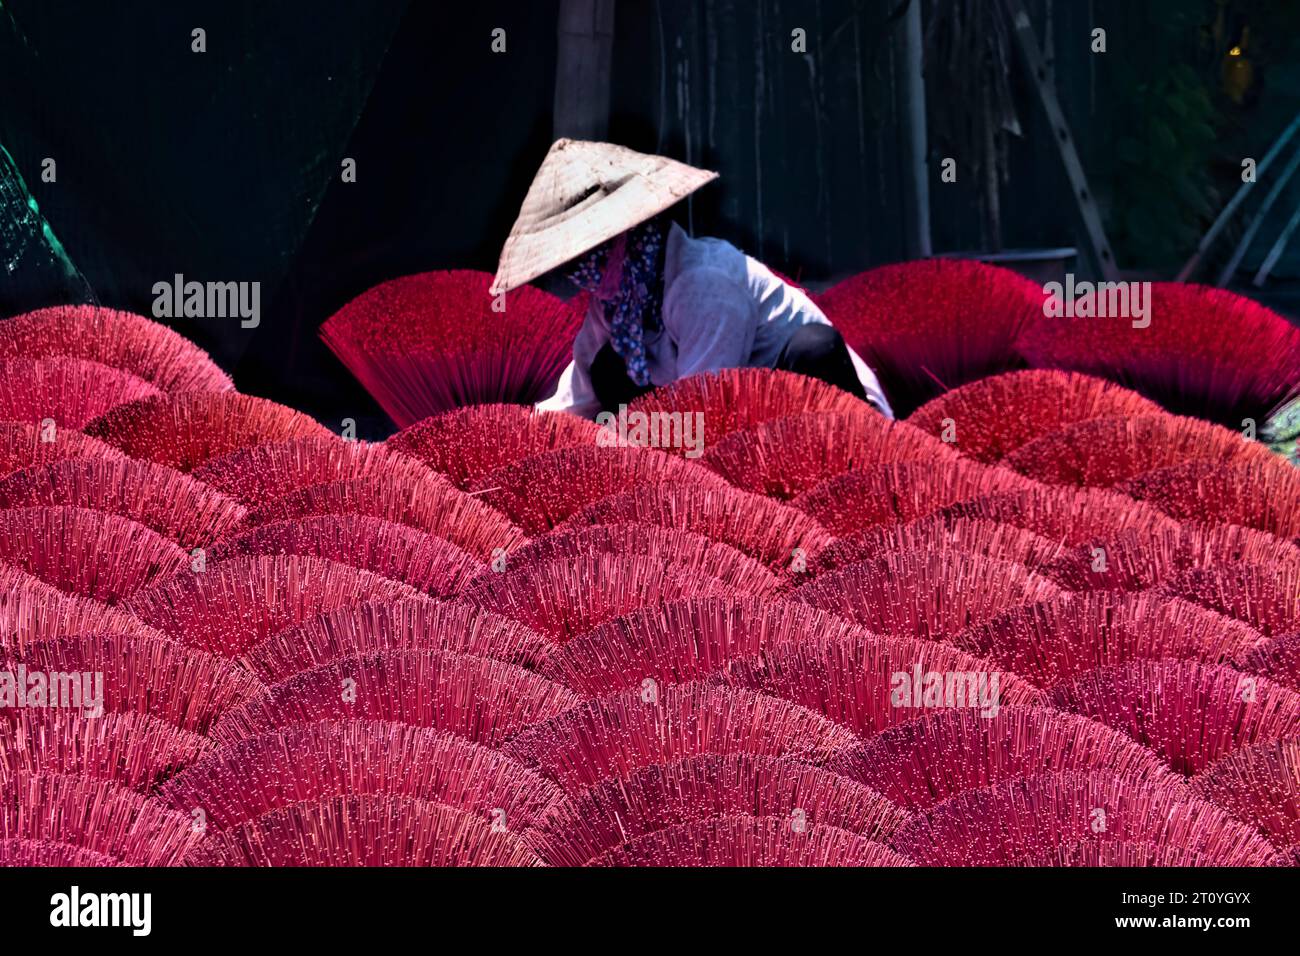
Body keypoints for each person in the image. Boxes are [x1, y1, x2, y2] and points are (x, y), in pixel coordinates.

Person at [490, 139, 893, 419]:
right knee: (607, 372)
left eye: (587, 252)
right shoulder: (617, 306)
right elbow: (573, 401)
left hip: (816, 415)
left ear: (624, 235)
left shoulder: (703, 285)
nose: (580, 271)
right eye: (570, 260)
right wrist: (507, 436)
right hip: (729, 420)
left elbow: (703, 413)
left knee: (813, 347)